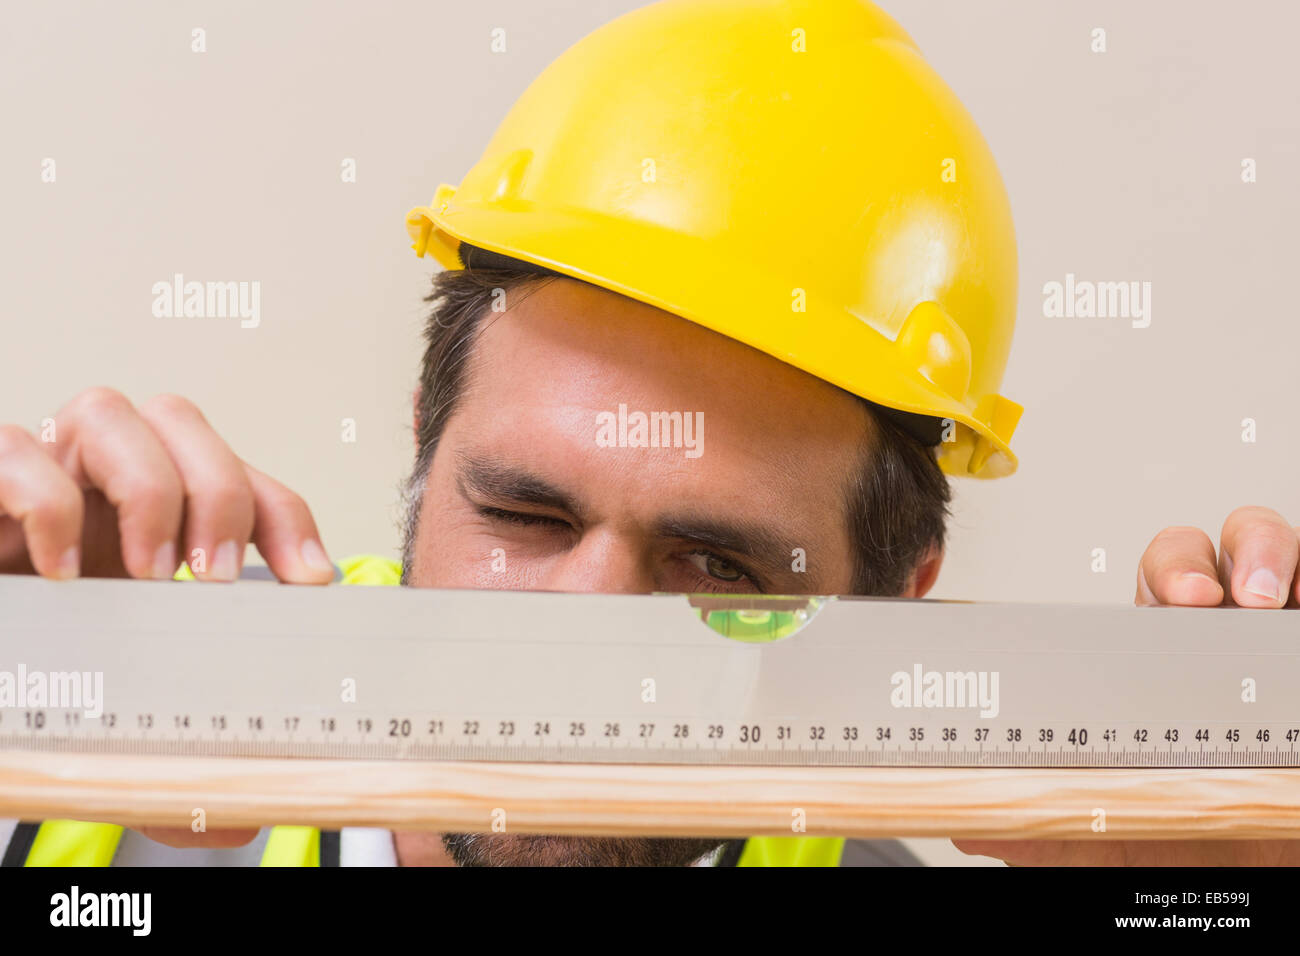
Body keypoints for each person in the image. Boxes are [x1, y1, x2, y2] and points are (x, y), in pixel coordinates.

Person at [1, 0, 1296, 867]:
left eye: (717, 568)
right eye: (522, 514)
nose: (587, 631)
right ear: (418, 451)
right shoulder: (94, 790)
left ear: (896, 603)